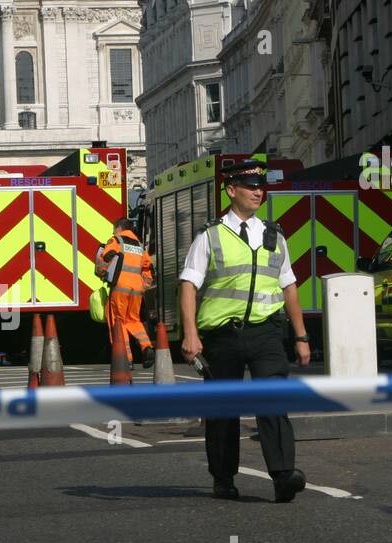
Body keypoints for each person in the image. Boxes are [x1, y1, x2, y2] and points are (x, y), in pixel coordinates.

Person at [178, 159, 311, 503]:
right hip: (223, 336)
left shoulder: (274, 235)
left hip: (267, 332)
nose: (258, 191)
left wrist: (301, 335)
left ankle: (283, 475)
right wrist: (191, 333)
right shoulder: (210, 235)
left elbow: (289, 286)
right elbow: (189, 285)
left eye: (261, 186)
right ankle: (223, 478)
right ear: (231, 190)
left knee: (274, 400)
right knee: (223, 408)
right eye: (251, 186)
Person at [96, 217, 155, 368]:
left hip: (120, 287)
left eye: (114, 229)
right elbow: (148, 268)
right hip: (137, 289)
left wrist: (101, 272)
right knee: (133, 320)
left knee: (118, 322)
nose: (112, 232)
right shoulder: (140, 246)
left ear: (119, 229)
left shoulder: (116, 241)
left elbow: (105, 257)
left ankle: (125, 358)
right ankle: (146, 346)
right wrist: (144, 286)